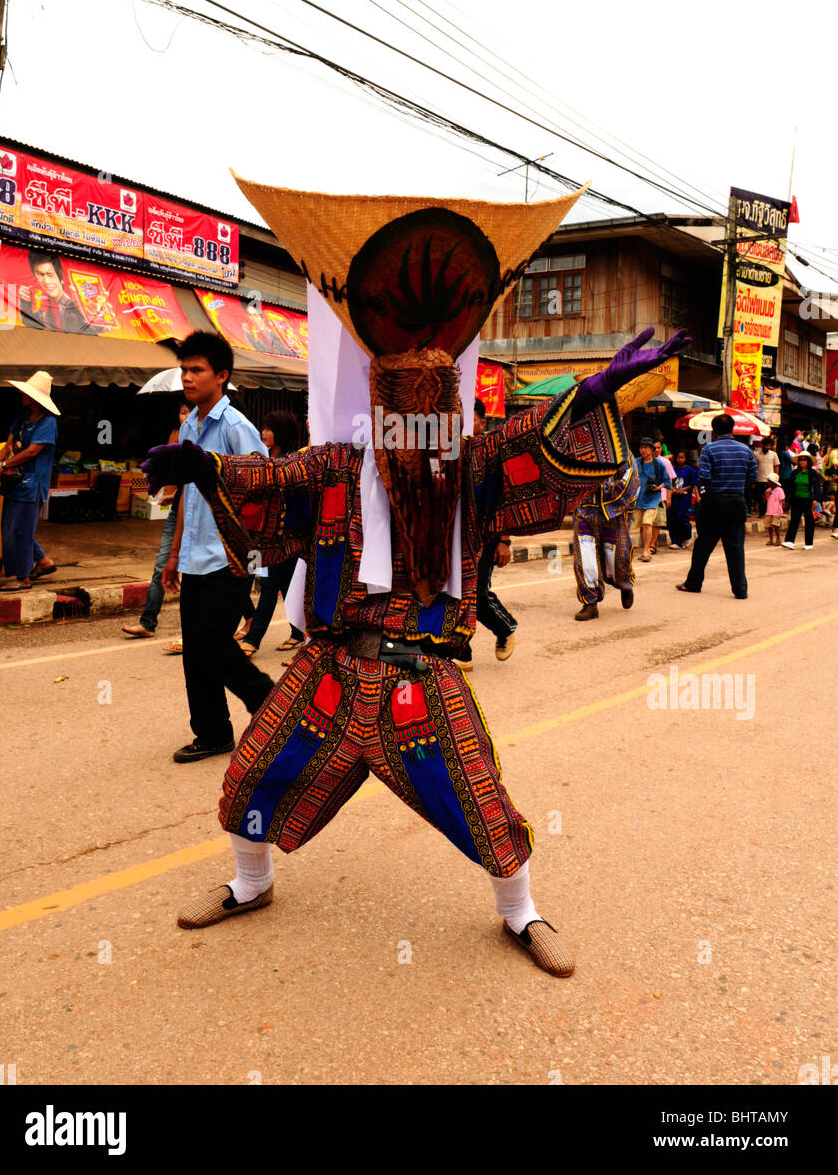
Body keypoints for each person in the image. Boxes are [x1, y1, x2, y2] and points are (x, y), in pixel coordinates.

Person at [143, 176, 690, 977]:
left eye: (433, 415)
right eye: (402, 413)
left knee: (478, 797)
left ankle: (522, 913)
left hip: (420, 674)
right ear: (379, 407)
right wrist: (203, 467)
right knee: (254, 774)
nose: (417, 430)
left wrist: (597, 388)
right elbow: (269, 484)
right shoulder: (336, 467)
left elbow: (536, 436)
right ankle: (247, 884)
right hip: (329, 666)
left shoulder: (473, 471)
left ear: (451, 414)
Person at [162, 331, 275, 762]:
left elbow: (264, 492)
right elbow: (187, 496)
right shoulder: (189, 424)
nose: (187, 378)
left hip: (232, 558)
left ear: (221, 376)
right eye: (184, 369)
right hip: (196, 556)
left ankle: (269, 705)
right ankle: (212, 733)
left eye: (197, 370)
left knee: (213, 643)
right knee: (196, 650)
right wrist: (173, 556)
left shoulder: (236, 428)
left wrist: (253, 559)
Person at [452, 399, 516, 672]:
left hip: (486, 535)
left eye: (470, 418)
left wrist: (504, 540)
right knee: (451, 594)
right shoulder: (447, 450)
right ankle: (462, 652)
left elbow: (506, 499)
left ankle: (505, 627)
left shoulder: (493, 454)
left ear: (481, 421)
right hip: (453, 535)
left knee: (475, 594)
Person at [238, 411, 305, 660]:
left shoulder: (290, 462)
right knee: (284, 586)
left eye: (269, 429)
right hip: (260, 536)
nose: (263, 433)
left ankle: (252, 640)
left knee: (268, 586)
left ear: (282, 433)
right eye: (263, 427)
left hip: (282, 536)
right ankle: (299, 633)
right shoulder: (263, 459)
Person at [121, 402, 190, 640]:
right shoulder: (176, 436)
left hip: (201, 514)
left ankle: (249, 618)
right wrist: (174, 494)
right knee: (162, 565)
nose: (185, 417)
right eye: (181, 412)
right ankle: (148, 622)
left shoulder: (207, 437)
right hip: (178, 512)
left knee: (199, 573)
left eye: (189, 412)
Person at [0, 371, 59, 591]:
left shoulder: (48, 423)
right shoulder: (20, 420)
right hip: (14, 483)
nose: (21, 395)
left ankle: (22, 577)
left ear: (37, 399)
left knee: (20, 532)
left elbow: (32, 452)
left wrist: (4, 466)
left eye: (26, 393)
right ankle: (43, 562)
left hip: (32, 485)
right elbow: (8, 445)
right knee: (10, 529)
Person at [676, 412, 757, 598]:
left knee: (703, 545)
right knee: (735, 547)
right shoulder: (745, 450)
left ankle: (694, 583)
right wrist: (736, 486)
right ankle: (740, 590)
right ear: (732, 429)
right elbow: (753, 476)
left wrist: (712, 490)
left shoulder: (709, 450)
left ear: (714, 430)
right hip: (737, 501)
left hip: (714, 501)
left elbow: (704, 476)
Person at [571, 462, 637, 620]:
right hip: (583, 509)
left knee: (616, 559)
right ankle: (590, 603)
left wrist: (608, 494)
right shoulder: (576, 451)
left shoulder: (621, 451)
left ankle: (624, 583)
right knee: (585, 557)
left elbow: (631, 480)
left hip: (613, 511)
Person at [18, 251, 107, 334]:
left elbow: (102, 329)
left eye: (50, 274)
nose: (46, 281)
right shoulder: (44, 309)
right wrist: (25, 302)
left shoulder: (73, 304)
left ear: (59, 275)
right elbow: (28, 322)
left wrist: (84, 311)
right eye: (40, 275)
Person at [632, 437, 665, 562]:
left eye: (646, 447)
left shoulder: (659, 464)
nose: (643, 450)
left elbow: (667, 482)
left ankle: (647, 550)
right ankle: (645, 548)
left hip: (653, 498)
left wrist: (659, 487)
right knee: (642, 525)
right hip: (639, 498)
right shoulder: (636, 462)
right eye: (641, 447)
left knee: (647, 523)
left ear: (651, 449)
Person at [782, 450, 821, 550]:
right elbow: (790, 487)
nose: (802, 462)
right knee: (794, 520)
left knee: (809, 521)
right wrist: (787, 499)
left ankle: (809, 543)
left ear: (808, 461)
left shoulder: (813, 474)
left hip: (808, 500)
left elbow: (817, 487)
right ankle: (789, 541)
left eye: (804, 460)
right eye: (800, 460)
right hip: (796, 499)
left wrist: (816, 499)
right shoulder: (795, 473)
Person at [667, 448, 696, 548]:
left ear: (685, 459)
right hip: (674, 496)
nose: (680, 460)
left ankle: (687, 535)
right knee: (672, 518)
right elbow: (669, 481)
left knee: (681, 516)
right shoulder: (673, 469)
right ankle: (675, 541)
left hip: (685, 497)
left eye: (682, 457)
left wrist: (683, 488)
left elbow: (693, 484)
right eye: (678, 458)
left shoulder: (690, 470)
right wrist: (673, 489)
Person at [753, 436, 779, 517]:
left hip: (771, 480)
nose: (767, 447)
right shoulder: (757, 454)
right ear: (762, 445)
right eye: (766, 445)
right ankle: (761, 513)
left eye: (769, 445)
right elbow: (755, 467)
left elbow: (776, 466)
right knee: (761, 497)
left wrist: (776, 479)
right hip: (760, 479)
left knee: (770, 497)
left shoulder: (774, 454)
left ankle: (769, 512)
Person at [763, 473, 785, 546]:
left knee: (776, 525)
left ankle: (778, 539)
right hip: (769, 511)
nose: (767, 482)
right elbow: (765, 499)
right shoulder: (768, 490)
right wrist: (766, 493)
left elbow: (782, 499)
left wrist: (782, 507)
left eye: (769, 481)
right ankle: (771, 539)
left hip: (776, 511)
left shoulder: (779, 490)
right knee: (769, 525)